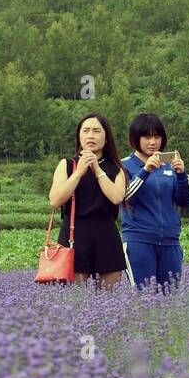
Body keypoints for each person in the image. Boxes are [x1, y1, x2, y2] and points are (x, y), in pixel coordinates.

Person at [48, 113, 128, 289]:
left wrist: (97, 169)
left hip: (106, 235)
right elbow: (55, 200)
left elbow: (116, 197)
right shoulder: (67, 165)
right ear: (79, 136)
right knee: (77, 300)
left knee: (109, 300)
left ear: (106, 138)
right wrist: (78, 173)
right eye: (86, 131)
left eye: (97, 131)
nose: (91, 135)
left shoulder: (116, 168)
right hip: (74, 235)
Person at [121, 113, 189, 290]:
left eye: (157, 137)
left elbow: (185, 201)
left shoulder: (170, 165)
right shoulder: (124, 165)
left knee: (169, 302)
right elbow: (124, 197)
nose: (152, 142)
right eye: (147, 137)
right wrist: (145, 171)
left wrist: (182, 175)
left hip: (170, 241)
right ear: (135, 139)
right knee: (144, 298)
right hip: (139, 241)